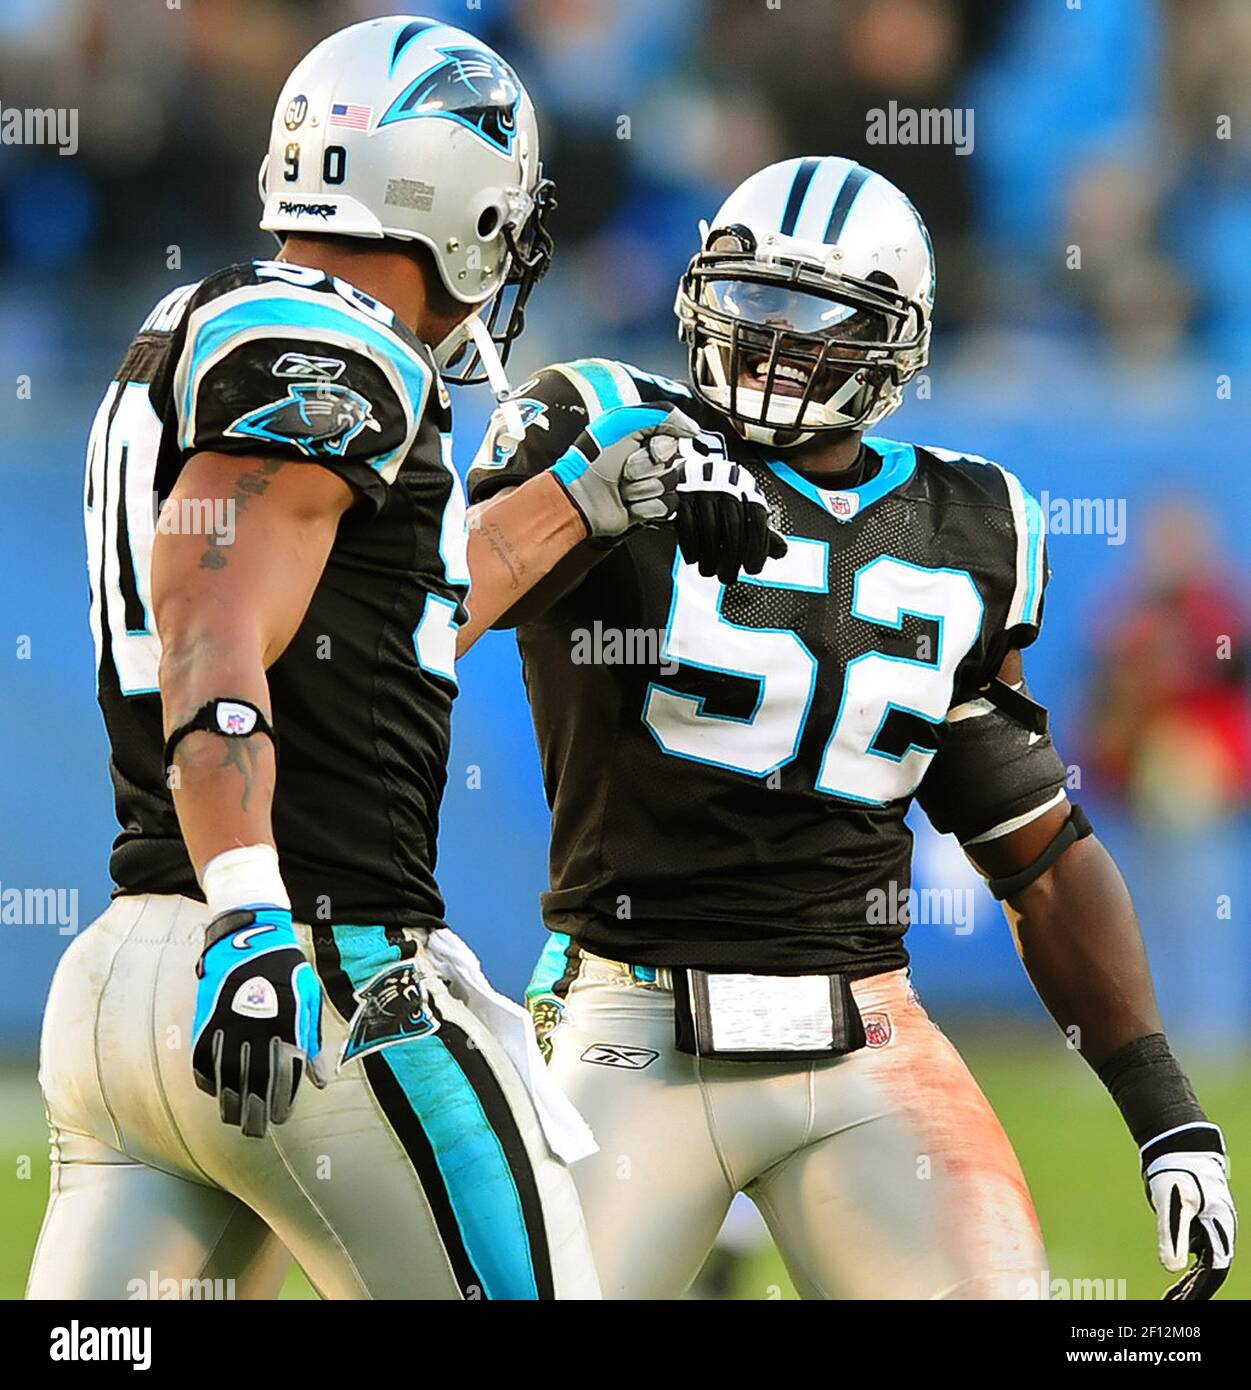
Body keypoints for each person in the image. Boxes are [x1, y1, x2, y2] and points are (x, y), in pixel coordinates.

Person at [468, 156, 1238, 1300]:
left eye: (816, 317)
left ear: (897, 346)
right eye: (749, 301)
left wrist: (1167, 1113)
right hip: (630, 1022)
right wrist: (594, 491)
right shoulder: (600, 426)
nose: (770, 341)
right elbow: (431, 608)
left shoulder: (970, 523)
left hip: (866, 1036)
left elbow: (1033, 843)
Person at [27, 15, 708, 1301]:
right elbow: (210, 624)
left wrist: (583, 496)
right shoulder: (340, 351)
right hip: (316, 964)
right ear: (456, 206)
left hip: (124, 992)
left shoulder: (213, 321)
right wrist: (252, 917)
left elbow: (371, 630)